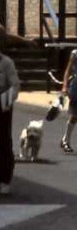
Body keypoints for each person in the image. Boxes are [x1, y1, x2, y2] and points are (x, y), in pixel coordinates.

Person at [0, 24, 29, 195]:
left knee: (3, 142)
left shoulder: (6, 62)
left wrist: (4, 102)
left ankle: (4, 179)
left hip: (2, 106)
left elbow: (15, 85)